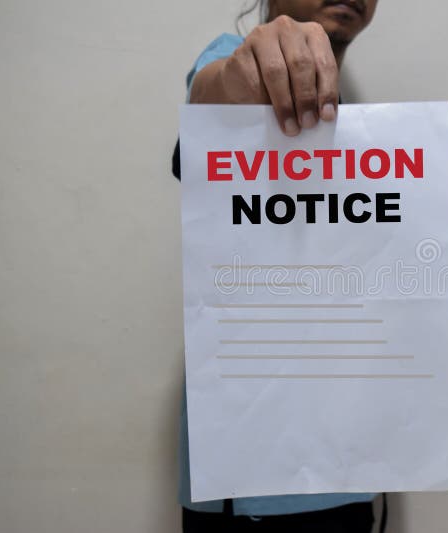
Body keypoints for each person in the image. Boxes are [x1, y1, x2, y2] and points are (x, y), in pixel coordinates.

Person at [172, 1, 384, 531]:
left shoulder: (357, 119)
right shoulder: (229, 58)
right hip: (252, 486)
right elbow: (212, 94)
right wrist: (246, 70)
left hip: (345, 464)